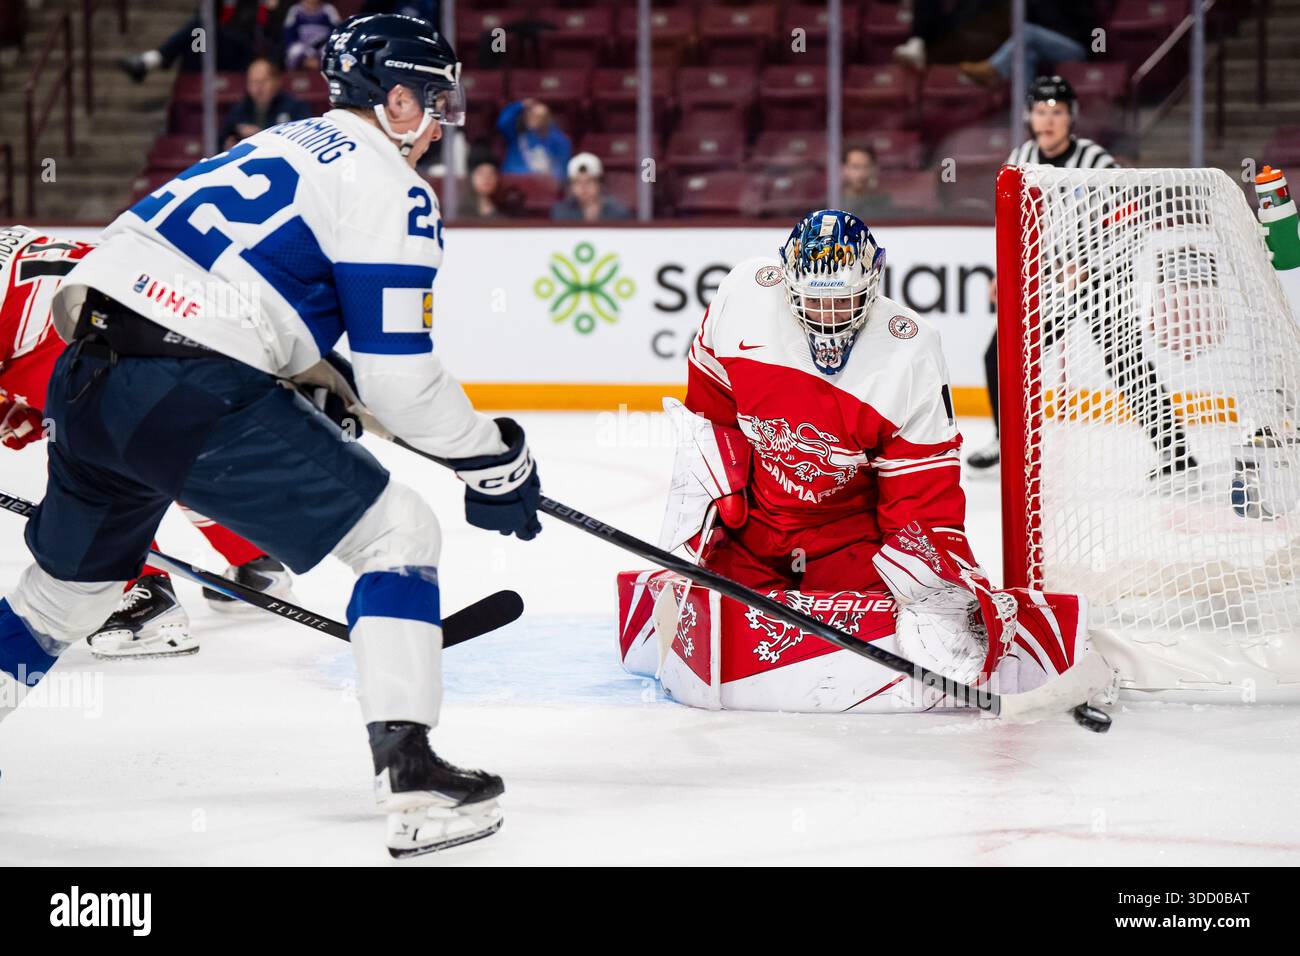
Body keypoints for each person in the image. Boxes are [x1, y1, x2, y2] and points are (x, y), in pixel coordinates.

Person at [0, 15, 542, 858]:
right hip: (186, 383)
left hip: (86, 371)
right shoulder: (390, 187)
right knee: (401, 531)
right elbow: (404, 385)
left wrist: (306, 375)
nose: (440, 122)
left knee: (64, 595)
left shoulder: (280, 144)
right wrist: (495, 458)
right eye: (433, 100)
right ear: (396, 97)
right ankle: (414, 780)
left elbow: (220, 286)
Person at [681, 209, 998, 687]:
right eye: (813, 302)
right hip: (754, 526)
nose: (828, 320)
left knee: (879, 645)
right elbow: (710, 415)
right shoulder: (741, 299)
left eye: (845, 302)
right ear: (787, 283)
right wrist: (712, 502)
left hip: (848, 540)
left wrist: (933, 591)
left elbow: (920, 495)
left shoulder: (909, 352)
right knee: (701, 617)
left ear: (874, 282)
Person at [0, 225, 294, 659]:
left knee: (91, 461)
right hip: (148, 304)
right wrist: (23, 402)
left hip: (90, 330)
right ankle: (254, 555)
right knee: (160, 443)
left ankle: (142, 598)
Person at [967, 74, 1191, 473]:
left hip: (1102, 278)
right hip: (1048, 281)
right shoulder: (1019, 159)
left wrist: (1087, 267)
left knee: (1126, 361)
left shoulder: (1096, 162)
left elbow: (1129, 224)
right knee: (1000, 353)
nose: (1048, 120)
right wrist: (1004, 272)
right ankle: (1006, 439)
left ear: (1072, 117)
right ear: (1029, 117)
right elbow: (1014, 225)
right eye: (1041, 111)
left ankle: (1175, 451)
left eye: (1057, 112)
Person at [959, 1, 1095, 88]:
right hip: (1043, 47)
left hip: (1075, 48)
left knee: (1027, 31)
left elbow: (1089, 25)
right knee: (1025, 55)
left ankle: (993, 69)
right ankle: (1025, 115)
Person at [221, 58, 312, 150]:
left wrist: (260, 135)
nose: (258, 88)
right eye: (253, 82)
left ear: (277, 81)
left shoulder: (295, 107)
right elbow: (221, 143)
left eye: (263, 81)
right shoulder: (239, 110)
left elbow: (304, 143)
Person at [497, 98, 571, 182]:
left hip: (543, 185)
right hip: (515, 180)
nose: (533, 118)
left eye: (539, 116)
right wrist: (520, 105)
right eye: (531, 115)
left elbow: (562, 169)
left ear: (547, 119)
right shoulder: (518, 137)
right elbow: (503, 122)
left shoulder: (559, 140)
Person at [550, 153, 631, 222]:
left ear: (600, 183)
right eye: (577, 182)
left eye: (589, 181)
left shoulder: (617, 213)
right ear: (571, 186)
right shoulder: (561, 213)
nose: (583, 187)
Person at [281, 0, 341, 71]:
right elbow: (288, 33)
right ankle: (292, 76)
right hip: (303, 46)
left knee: (330, 51)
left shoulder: (328, 9)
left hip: (322, 45)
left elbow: (337, 30)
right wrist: (304, 58)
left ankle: (331, 75)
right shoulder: (295, 10)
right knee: (294, 51)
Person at [839, 145, 893, 224]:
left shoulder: (884, 201)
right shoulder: (834, 201)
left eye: (866, 166)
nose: (861, 173)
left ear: (873, 169)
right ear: (844, 169)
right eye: (855, 167)